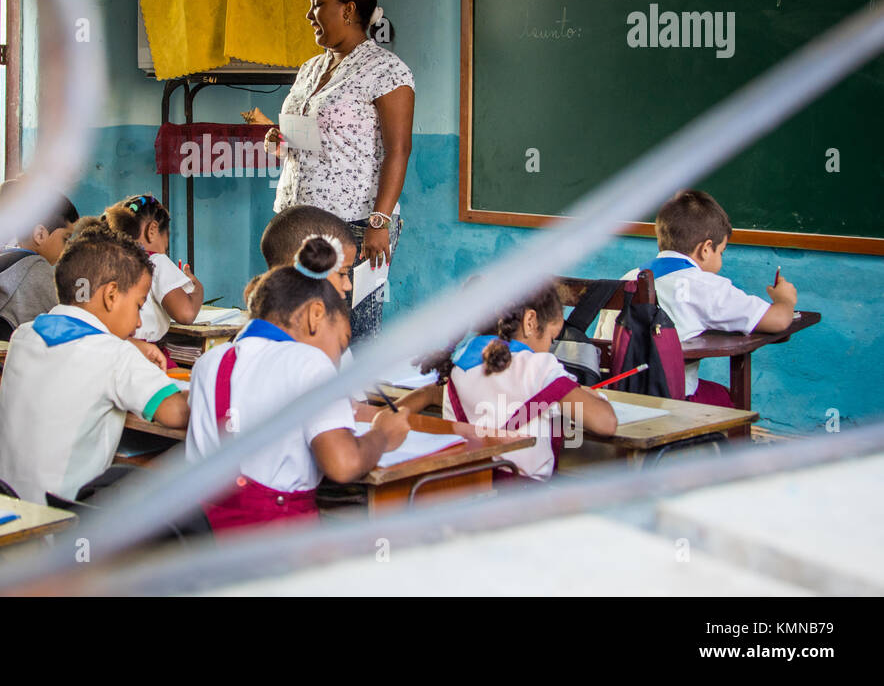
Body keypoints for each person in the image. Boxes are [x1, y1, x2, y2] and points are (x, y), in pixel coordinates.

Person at [187, 236, 410, 531]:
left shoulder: (210, 362)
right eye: (341, 344)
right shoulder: (309, 362)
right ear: (316, 315)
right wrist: (383, 435)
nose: (336, 358)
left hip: (204, 541)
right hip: (275, 543)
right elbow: (342, 464)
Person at [0, 220, 188, 503]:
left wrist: (126, 342)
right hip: (61, 524)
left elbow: (75, 345)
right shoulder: (114, 356)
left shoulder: (24, 336)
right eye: (139, 306)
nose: (137, 323)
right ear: (110, 296)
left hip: (9, 515)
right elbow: (176, 413)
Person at [265, 0, 415, 340]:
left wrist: (377, 223)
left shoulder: (386, 69)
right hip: (297, 219)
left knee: (352, 327)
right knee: (297, 322)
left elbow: (398, 150)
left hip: (355, 223)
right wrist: (281, 139)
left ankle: (356, 398)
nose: (308, 15)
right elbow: (320, 136)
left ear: (348, 10)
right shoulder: (311, 68)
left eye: (317, 5)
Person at [595, 189, 798, 407]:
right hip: (670, 400)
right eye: (721, 252)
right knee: (728, 400)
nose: (721, 259)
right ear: (705, 249)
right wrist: (784, 299)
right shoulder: (702, 285)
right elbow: (778, 320)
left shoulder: (626, 279)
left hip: (616, 396)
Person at [399, 281, 617, 480]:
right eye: (551, 338)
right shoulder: (539, 368)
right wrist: (591, 397)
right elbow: (605, 423)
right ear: (530, 321)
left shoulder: (458, 365)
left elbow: (431, 394)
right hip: (523, 504)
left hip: (467, 493)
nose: (550, 347)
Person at [103, 194, 204, 350]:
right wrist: (198, 289)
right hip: (144, 352)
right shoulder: (156, 261)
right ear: (152, 230)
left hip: (114, 348)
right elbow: (186, 313)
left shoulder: (109, 261)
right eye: (166, 239)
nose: (165, 248)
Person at [0, 192, 79, 330]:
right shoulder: (38, 270)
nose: (67, 247)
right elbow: (67, 320)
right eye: (65, 238)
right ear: (40, 234)